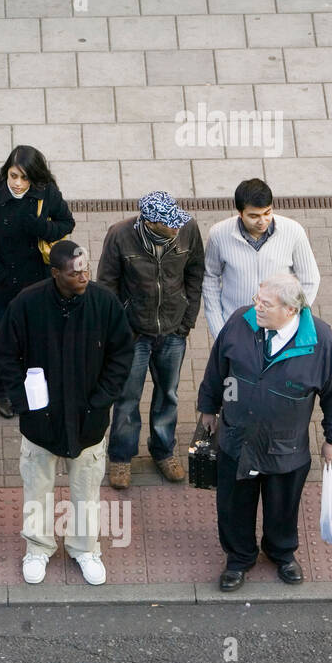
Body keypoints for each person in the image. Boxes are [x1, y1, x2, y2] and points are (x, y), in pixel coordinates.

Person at [0, 240, 134, 587]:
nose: (84, 276)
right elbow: (5, 354)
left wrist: (102, 399)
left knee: (86, 489)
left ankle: (85, 548)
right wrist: (24, 403)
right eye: (75, 273)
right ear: (55, 273)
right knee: (37, 488)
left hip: (89, 422)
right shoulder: (27, 304)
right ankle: (38, 548)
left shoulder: (104, 303)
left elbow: (121, 354)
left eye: (85, 270)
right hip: (41, 422)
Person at [197, 274, 332, 592]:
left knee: (283, 506)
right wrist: (208, 408)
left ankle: (281, 552)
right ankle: (238, 558)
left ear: (291, 310)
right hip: (236, 439)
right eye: (257, 299)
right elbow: (217, 368)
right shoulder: (241, 321)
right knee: (233, 505)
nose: (256, 307)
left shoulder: (319, 340)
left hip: (286, 447)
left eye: (265, 304)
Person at [97, 191, 205, 489]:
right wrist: (120, 331)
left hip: (173, 330)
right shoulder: (120, 235)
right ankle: (120, 456)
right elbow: (106, 286)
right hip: (134, 334)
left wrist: (187, 320)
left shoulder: (188, 229)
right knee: (127, 397)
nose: (175, 228)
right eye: (168, 224)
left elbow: (196, 274)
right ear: (149, 222)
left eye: (176, 222)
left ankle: (163, 450)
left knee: (168, 394)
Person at [0, 145, 75, 416]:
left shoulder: (47, 194)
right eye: (13, 176)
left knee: (40, 336)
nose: (18, 184)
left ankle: (38, 386)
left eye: (24, 178)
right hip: (5, 285)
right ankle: (5, 391)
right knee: (5, 339)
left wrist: (42, 227)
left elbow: (67, 223)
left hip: (40, 282)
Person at [202, 178, 320, 340]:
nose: (262, 221)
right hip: (236, 327)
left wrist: (291, 317)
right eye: (254, 216)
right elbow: (210, 279)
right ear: (240, 213)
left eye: (267, 213)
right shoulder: (218, 234)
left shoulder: (293, 232)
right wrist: (219, 330)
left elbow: (309, 280)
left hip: (279, 328)